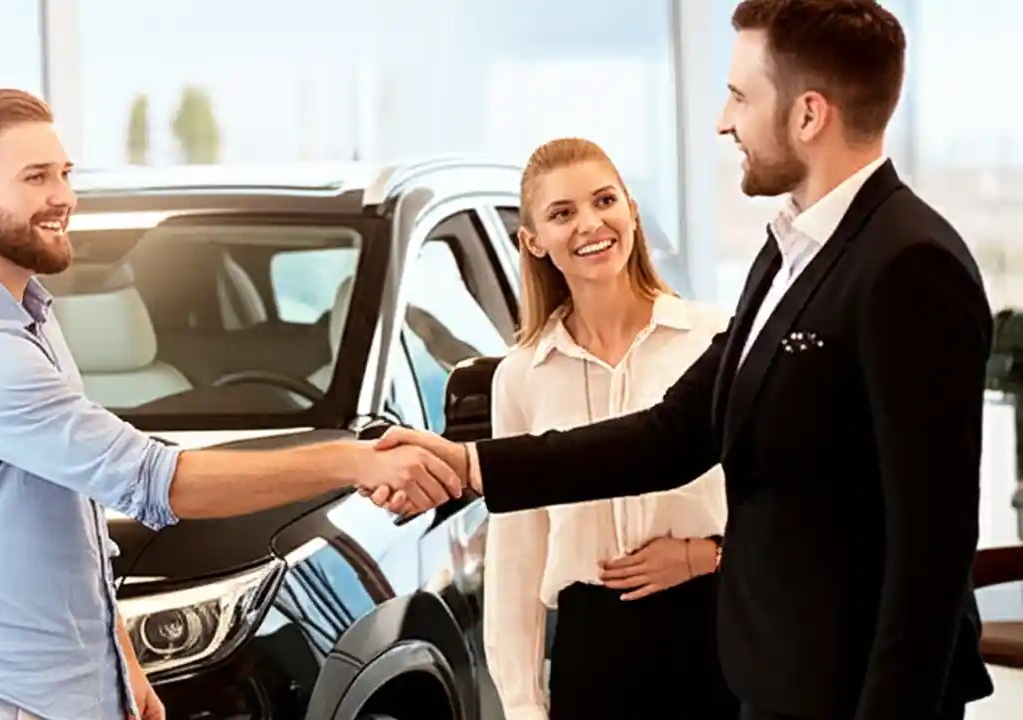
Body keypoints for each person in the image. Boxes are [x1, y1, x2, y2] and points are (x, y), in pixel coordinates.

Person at [372, 1, 997, 718]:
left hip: (847, 693)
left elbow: (933, 546)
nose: (722, 121)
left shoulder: (909, 262)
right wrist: (469, 467)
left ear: (808, 115)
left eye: (739, 96)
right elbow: (671, 435)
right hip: (771, 680)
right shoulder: (787, 253)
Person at [0, 88, 462, 720]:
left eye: (63, 173)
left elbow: (71, 522)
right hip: (2, 700)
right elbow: (161, 481)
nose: (64, 197)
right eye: (35, 178)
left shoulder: (25, 313)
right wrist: (354, 461)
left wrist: (120, 662)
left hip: (65, 690)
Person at [482, 137, 737, 720]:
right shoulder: (521, 376)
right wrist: (522, 705)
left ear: (632, 211)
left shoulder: (715, 339)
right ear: (533, 241)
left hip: (716, 628)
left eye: (604, 201)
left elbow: (785, 501)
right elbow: (517, 553)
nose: (590, 224)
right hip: (593, 649)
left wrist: (707, 556)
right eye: (562, 213)